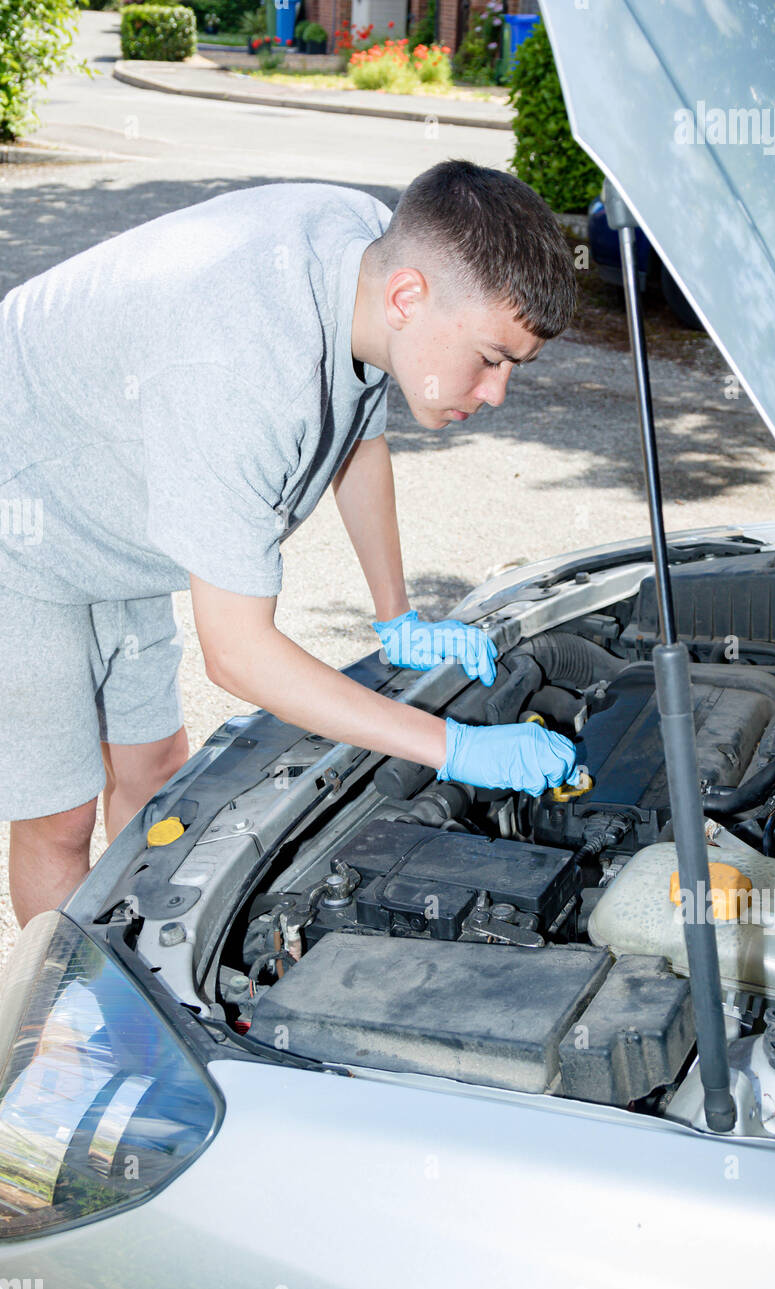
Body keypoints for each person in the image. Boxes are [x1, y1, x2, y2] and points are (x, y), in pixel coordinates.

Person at [0, 158, 581, 928]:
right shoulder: (238, 375)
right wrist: (454, 747)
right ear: (409, 297)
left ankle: (129, 978)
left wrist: (398, 621)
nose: (497, 392)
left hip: (113, 490)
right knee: (61, 819)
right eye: (491, 359)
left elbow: (358, 440)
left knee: (155, 772)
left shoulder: (369, 259)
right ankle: (56, 1038)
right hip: (23, 521)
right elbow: (237, 653)